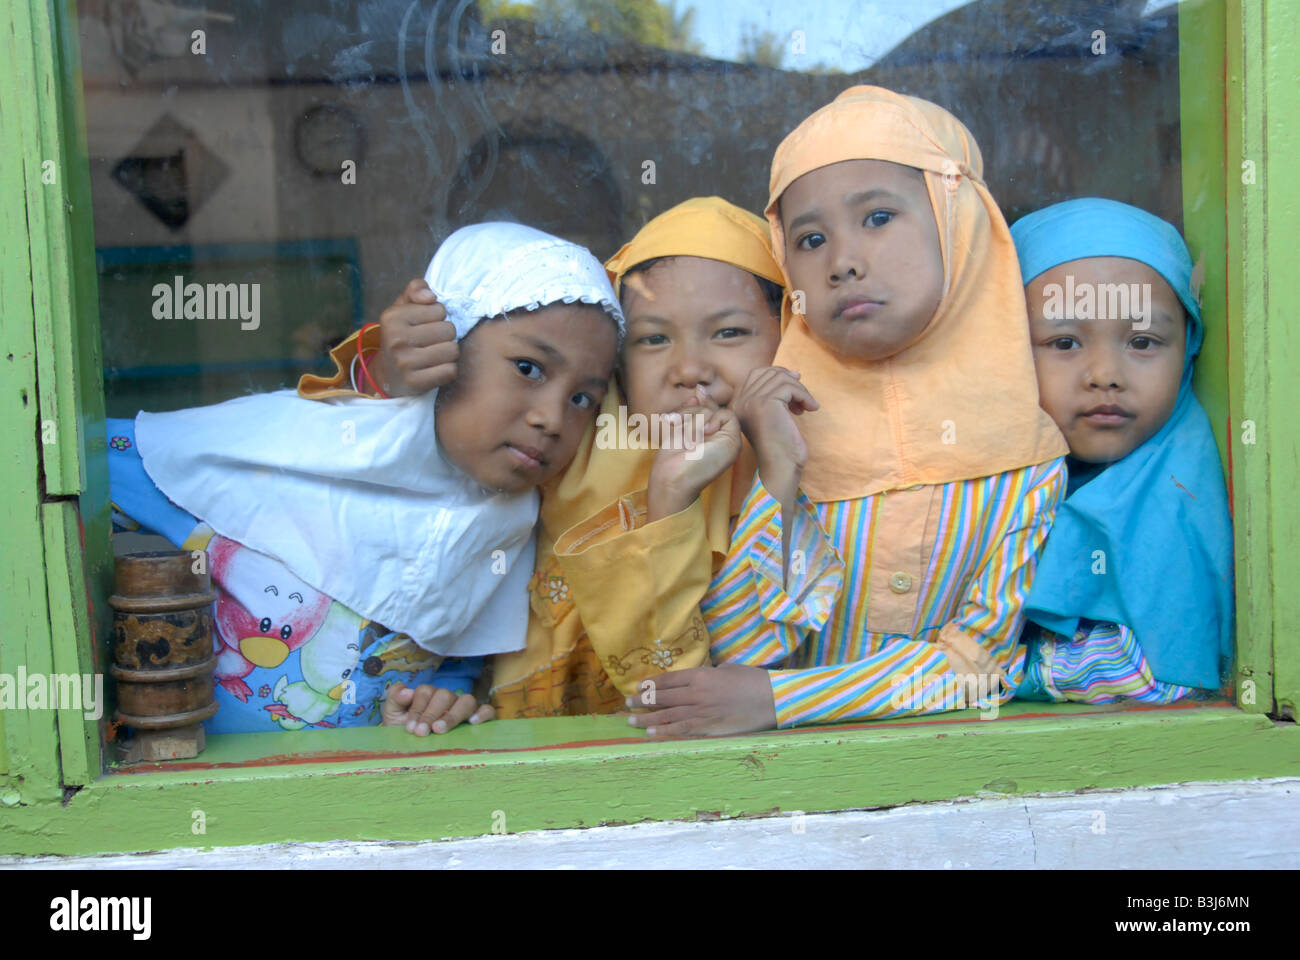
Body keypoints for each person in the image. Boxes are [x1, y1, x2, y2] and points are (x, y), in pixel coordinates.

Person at [630, 86, 1069, 736]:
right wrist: (779, 476)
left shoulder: (1025, 459)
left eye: (878, 218)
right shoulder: (770, 422)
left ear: (959, 222)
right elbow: (730, 663)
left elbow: (981, 666)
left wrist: (784, 702)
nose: (842, 262)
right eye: (810, 239)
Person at [108, 222, 622, 734]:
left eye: (583, 399)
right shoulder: (289, 450)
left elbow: (452, 659)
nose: (553, 419)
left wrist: (439, 705)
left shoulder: (507, 529)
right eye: (529, 368)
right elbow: (84, 472)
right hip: (184, 793)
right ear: (448, 344)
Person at [1008, 197, 1234, 703]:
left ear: (1189, 345)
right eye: (1064, 343)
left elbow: (1155, 676)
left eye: (1143, 341)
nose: (1105, 374)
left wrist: (1001, 671)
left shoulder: (1177, 488)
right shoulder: (998, 480)